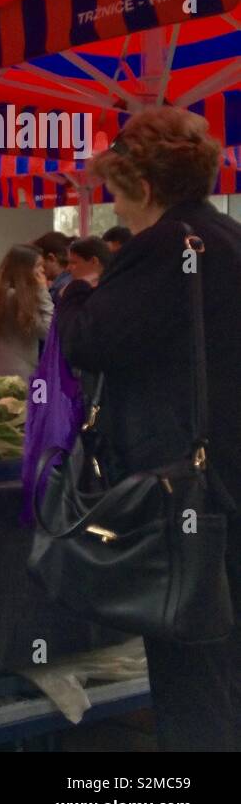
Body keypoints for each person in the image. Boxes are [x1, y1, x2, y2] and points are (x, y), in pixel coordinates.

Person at [55, 107, 241, 752]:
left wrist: (75, 291)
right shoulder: (229, 237)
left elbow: (94, 341)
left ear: (142, 185)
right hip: (228, 476)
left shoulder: (163, 246)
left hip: (186, 490)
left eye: (115, 185)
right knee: (225, 653)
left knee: (193, 663)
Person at [0, 244, 52, 379]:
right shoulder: (18, 300)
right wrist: (42, 290)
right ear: (24, 269)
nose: (42, 270)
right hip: (20, 377)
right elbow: (48, 331)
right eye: (38, 266)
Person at [33, 231, 74, 303]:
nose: (40, 269)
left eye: (39, 264)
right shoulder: (64, 283)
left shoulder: (62, 288)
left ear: (51, 258)